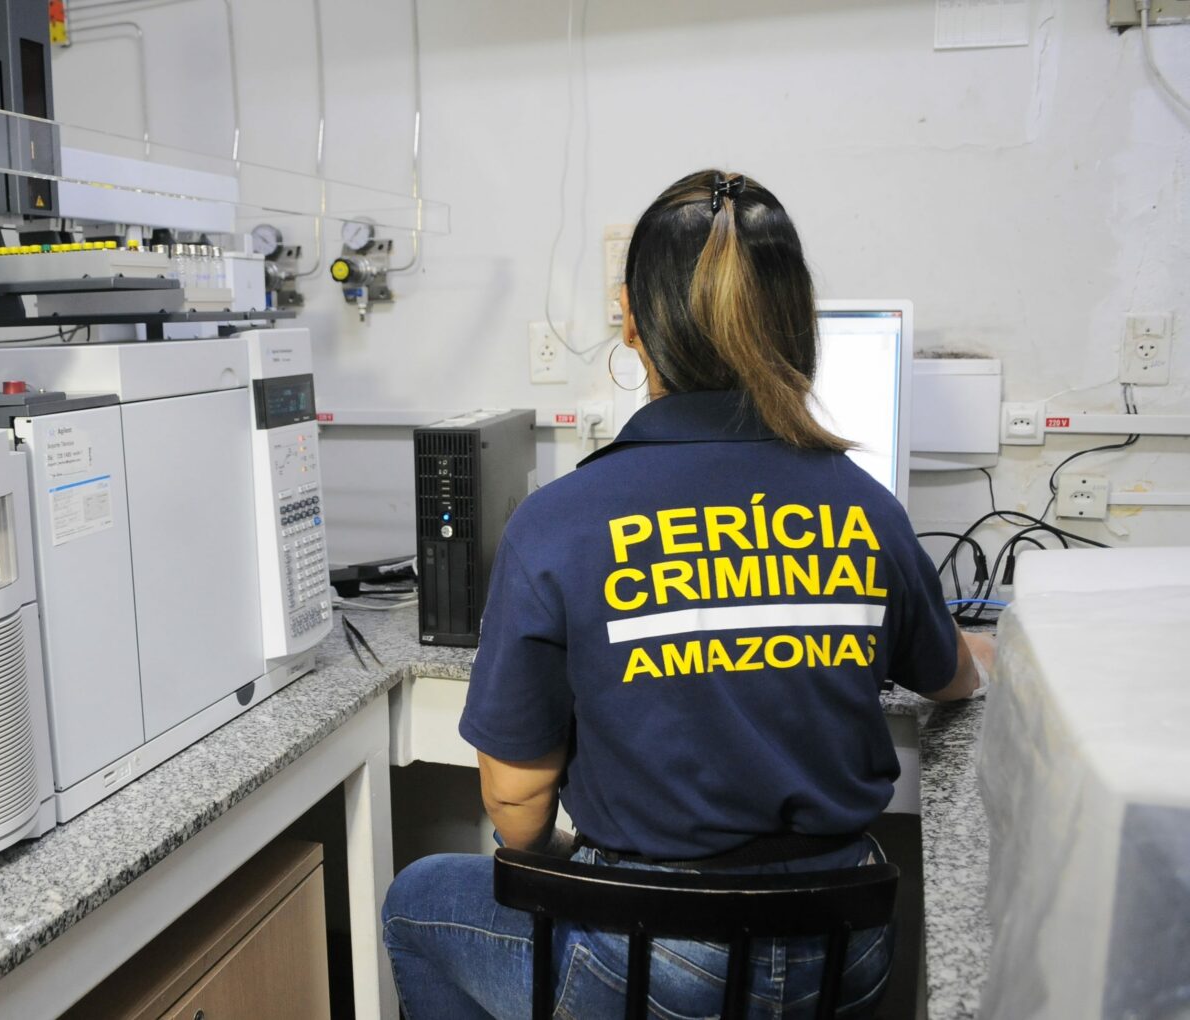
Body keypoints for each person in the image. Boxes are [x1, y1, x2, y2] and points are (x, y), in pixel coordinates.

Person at [381, 169, 995, 1019]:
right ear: (792, 321)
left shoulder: (559, 525)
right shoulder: (868, 508)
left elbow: (515, 802)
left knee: (418, 899)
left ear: (631, 321)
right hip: (848, 960)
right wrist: (979, 657)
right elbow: (951, 679)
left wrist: (563, 859)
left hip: (653, 969)